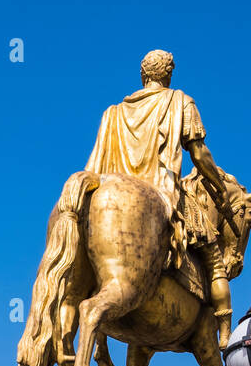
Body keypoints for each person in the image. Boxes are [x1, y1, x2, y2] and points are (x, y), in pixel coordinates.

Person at [85, 49, 235, 348]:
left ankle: (98, 341)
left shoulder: (114, 112)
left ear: (143, 75)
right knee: (215, 260)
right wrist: (217, 184)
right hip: (163, 192)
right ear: (168, 74)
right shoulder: (180, 101)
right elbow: (199, 153)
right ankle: (224, 329)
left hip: (110, 200)